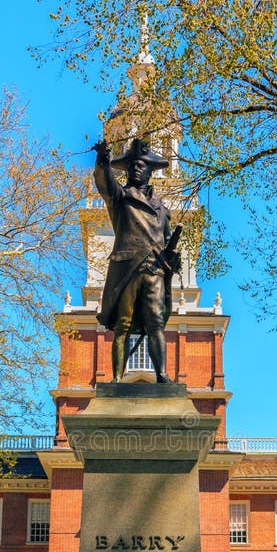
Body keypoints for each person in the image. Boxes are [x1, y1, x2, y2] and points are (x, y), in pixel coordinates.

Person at [93, 137, 181, 383]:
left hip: (154, 269)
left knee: (156, 322)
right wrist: (103, 161)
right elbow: (105, 183)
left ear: (151, 171)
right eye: (132, 165)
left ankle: (161, 375)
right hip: (128, 266)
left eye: (142, 165)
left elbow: (165, 242)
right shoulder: (120, 197)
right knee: (123, 324)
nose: (137, 168)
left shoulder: (163, 210)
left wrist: (173, 258)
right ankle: (117, 379)